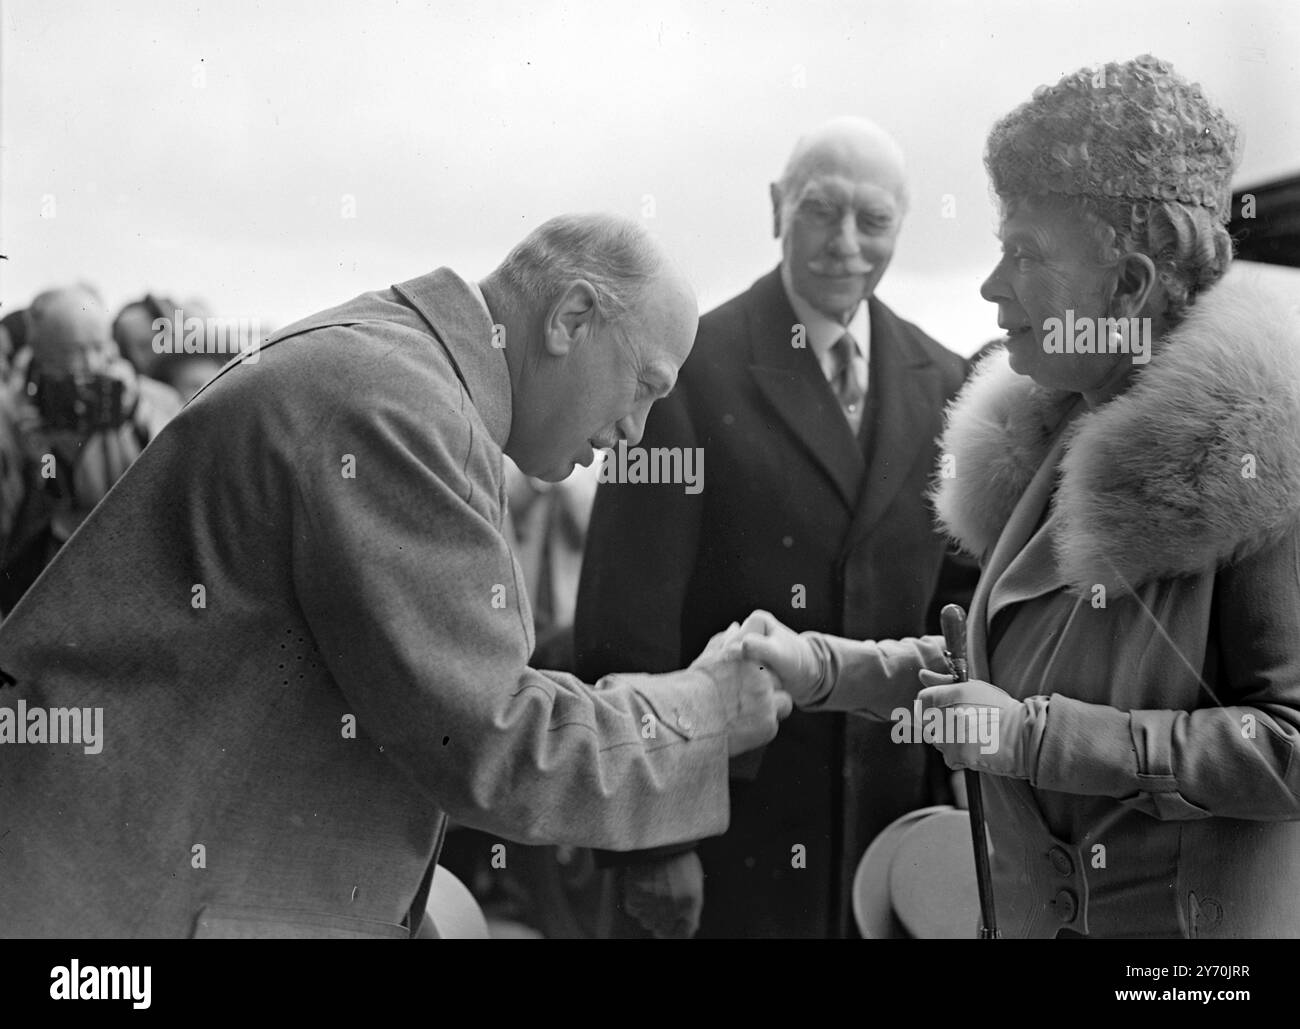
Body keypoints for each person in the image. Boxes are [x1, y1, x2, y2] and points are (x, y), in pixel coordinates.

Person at [0, 213, 791, 938]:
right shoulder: (395, 409)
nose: (635, 431)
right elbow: (496, 742)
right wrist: (704, 709)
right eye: (644, 386)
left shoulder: (401, 370)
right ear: (572, 318)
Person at [741, 56, 1300, 938]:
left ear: (1129, 285)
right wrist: (831, 667)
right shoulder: (1070, 429)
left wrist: (1039, 739)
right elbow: (1012, 679)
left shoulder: (1268, 462)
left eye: (1025, 253)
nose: (992, 286)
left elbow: (1287, 746)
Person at [575, 117, 974, 938]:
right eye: (820, 211)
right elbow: (625, 622)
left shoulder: (949, 381)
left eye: (874, 221)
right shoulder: (690, 367)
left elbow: (960, 608)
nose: (845, 243)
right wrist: (652, 841)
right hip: (724, 827)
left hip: (893, 828)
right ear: (776, 207)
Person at [0, 287, 180, 613]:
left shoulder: (149, 402)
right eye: (73, 351)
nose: (91, 365)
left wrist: (135, 419)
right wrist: (43, 460)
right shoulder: (10, 417)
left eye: (100, 348)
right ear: (39, 353)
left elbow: (175, 498)